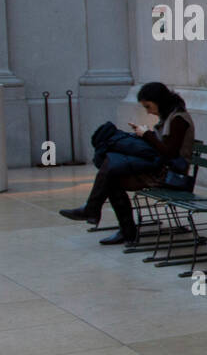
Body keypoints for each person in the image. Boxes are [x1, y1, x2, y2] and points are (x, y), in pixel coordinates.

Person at [59, 82, 196, 244]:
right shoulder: (170, 115)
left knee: (112, 175)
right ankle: (107, 219)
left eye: (148, 106)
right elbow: (164, 147)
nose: (148, 111)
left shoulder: (178, 119)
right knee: (112, 172)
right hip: (160, 168)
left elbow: (169, 152)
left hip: (171, 175)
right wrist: (145, 135)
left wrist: (146, 135)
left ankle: (106, 218)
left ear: (159, 101)